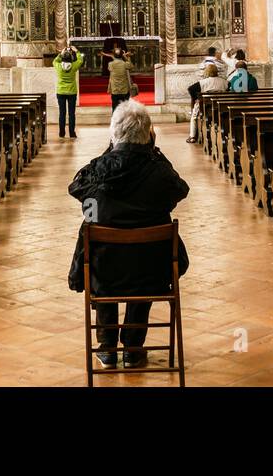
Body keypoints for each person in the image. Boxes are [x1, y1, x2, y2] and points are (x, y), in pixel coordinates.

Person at [67, 99, 189, 369]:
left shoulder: (98, 173)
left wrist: (111, 150)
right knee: (140, 263)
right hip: (151, 271)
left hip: (105, 270)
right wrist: (154, 151)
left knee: (101, 254)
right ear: (148, 135)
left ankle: (107, 347)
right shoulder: (158, 172)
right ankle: (133, 348)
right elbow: (181, 189)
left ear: (114, 134)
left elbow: (75, 186)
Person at [188, 63, 227, 143]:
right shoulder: (224, 82)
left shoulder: (202, 82)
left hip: (205, 108)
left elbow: (190, 89)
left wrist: (195, 99)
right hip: (220, 106)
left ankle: (192, 136)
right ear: (216, 72)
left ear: (207, 72)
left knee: (194, 116)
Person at [53, 46, 84, 139]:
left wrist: (61, 53)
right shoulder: (74, 66)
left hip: (61, 92)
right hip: (71, 92)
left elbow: (54, 61)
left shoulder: (58, 66)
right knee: (71, 113)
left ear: (63, 58)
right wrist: (76, 51)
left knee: (62, 113)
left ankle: (61, 133)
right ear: (71, 59)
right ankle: (72, 133)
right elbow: (80, 60)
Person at [106, 47, 132, 112]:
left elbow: (110, 68)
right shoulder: (125, 64)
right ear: (121, 55)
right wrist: (124, 57)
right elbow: (131, 65)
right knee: (125, 108)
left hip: (115, 89)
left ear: (114, 55)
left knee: (115, 107)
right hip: (124, 89)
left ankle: (115, 121)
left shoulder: (110, 64)